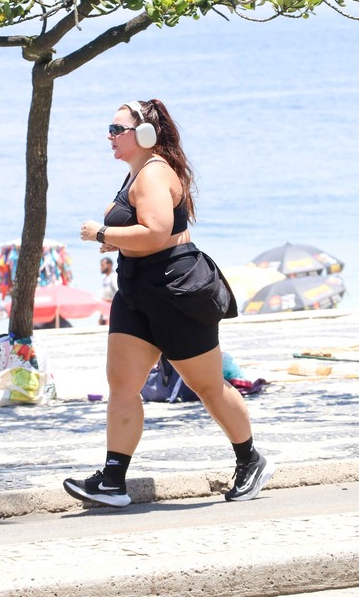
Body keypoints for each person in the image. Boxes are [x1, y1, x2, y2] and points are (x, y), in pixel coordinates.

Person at [69, 99, 273, 508]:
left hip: (175, 291)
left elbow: (157, 232)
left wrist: (100, 233)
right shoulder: (136, 173)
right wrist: (115, 241)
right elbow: (143, 232)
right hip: (136, 290)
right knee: (122, 386)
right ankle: (113, 480)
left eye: (117, 129)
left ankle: (250, 460)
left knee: (207, 387)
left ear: (144, 134)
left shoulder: (153, 172)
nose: (109, 136)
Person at [98, 257, 119, 325]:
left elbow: (119, 293)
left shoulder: (114, 277)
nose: (101, 268)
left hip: (113, 311)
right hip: (106, 311)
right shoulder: (105, 278)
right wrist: (101, 316)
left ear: (109, 265)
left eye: (102, 265)